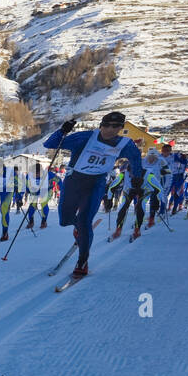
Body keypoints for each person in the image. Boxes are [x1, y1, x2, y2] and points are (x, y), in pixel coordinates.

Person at [44, 111, 143, 276]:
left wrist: (137, 179)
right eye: (107, 125)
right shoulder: (85, 137)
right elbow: (50, 144)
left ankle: (82, 261)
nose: (110, 130)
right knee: (65, 220)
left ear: (121, 128)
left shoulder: (125, 144)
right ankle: (80, 229)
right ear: (101, 125)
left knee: (84, 221)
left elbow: (136, 158)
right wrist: (63, 131)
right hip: (74, 181)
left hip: (95, 183)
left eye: (116, 127)